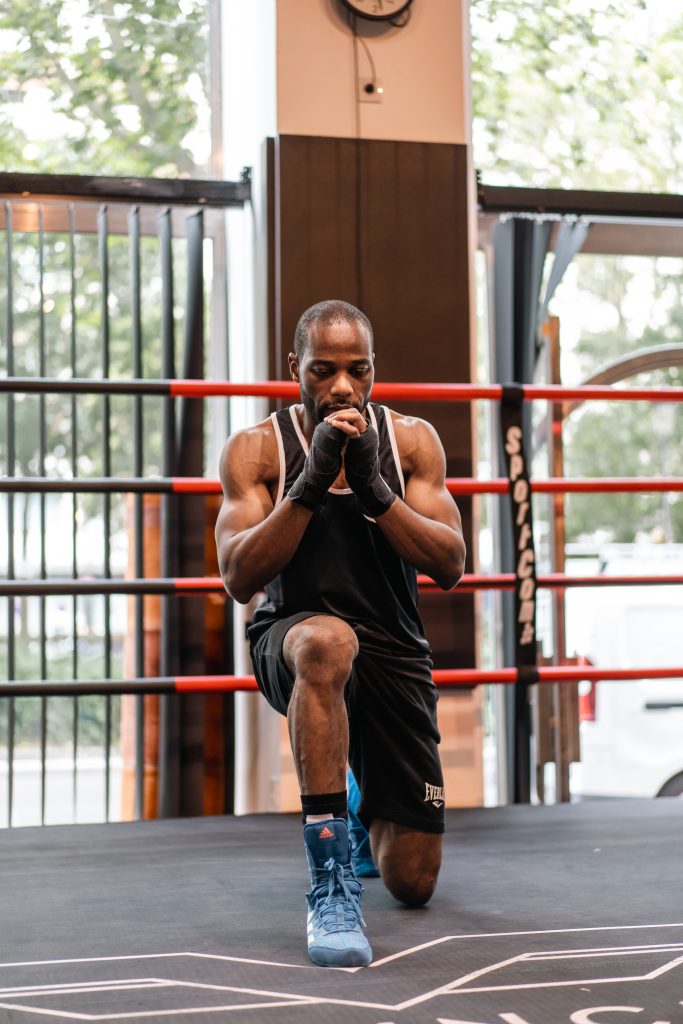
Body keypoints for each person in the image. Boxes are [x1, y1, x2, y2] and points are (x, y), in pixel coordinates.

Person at [215, 299, 465, 968]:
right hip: (294, 640)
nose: (342, 388)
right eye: (323, 371)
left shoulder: (410, 441)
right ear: (295, 367)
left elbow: (448, 563)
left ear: (373, 369)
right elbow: (238, 576)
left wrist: (375, 490)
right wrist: (309, 483)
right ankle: (330, 885)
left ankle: (358, 804)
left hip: (391, 647)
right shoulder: (257, 448)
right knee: (327, 643)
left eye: (357, 370)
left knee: (412, 882)